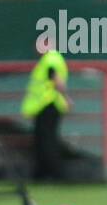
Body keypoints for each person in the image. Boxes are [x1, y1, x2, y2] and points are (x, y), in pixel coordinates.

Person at [20, 38, 70, 180]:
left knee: (47, 142)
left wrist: (66, 98)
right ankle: (42, 173)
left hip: (48, 105)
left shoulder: (50, 59)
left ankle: (55, 174)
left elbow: (57, 80)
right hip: (45, 105)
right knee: (43, 140)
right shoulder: (52, 58)